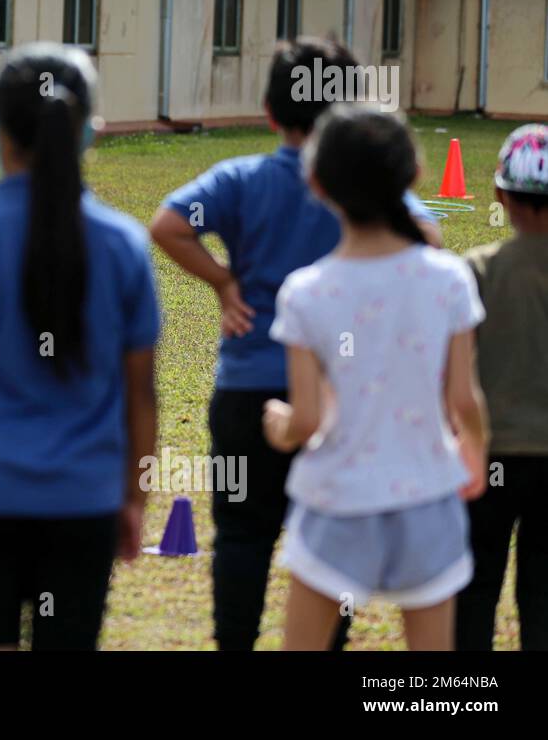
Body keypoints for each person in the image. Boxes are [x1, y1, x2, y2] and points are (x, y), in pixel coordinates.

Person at [148, 37, 441, 651]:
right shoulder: (373, 192)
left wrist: (225, 281)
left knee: (241, 536)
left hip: (247, 393)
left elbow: (169, 225)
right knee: (338, 543)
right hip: (345, 399)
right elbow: (427, 242)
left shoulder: (242, 179)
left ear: (269, 110)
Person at [0, 44, 159, 651]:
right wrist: (134, 497)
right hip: (85, 501)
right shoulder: (124, 245)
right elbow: (140, 391)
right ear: (88, 134)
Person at [263, 105, 488, 650]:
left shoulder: (305, 292)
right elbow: (463, 400)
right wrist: (475, 455)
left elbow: (309, 419)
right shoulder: (449, 280)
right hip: (428, 499)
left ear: (316, 184)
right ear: (413, 176)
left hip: (337, 501)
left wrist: (277, 424)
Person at [456, 123, 548, 651]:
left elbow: (453, 372)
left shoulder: (477, 271)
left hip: (489, 458)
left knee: (475, 590)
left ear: (500, 195)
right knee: (543, 595)